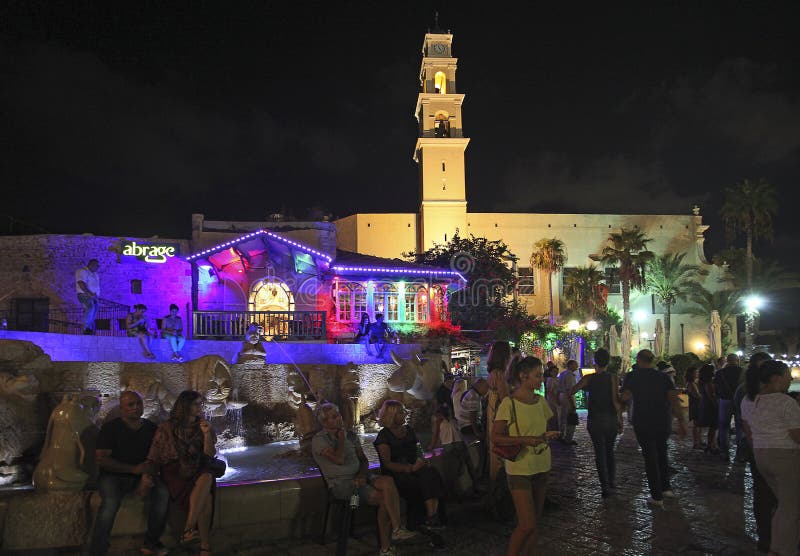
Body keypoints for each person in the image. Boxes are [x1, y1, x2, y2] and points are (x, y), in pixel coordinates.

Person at [312, 403, 415, 556]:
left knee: (388, 482)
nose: (339, 418)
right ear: (324, 422)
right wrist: (341, 439)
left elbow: (364, 460)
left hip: (361, 477)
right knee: (383, 499)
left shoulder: (351, 435)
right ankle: (385, 548)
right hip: (342, 485)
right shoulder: (319, 440)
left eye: (338, 414)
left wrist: (361, 475)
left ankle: (397, 529)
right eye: (334, 417)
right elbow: (339, 459)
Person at [491, 356, 559, 556]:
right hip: (520, 468)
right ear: (523, 376)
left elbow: (543, 428)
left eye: (541, 375)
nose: (541, 379)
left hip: (542, 464)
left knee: (535, 522)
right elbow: (495, 437)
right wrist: (525, 440)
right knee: (526, 524)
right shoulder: (509, 404)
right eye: (537, 375)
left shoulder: (541, 402)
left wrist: (547, 435)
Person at [88, 391, 168, 556]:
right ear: (122, 408)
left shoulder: (151, 428)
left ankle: (151, 542)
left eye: (138, 403)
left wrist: (147, 476)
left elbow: (158, 455)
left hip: (141, 474)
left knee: (163, 493)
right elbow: (102, 459)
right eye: (130, 404)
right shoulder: (111, 428)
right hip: (113, 475)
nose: (136, 407)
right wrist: (133, 469)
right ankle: (98, 549)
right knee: (110, 501)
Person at [741, 360, 800, 556]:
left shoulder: (755, 400)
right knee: (790, 507)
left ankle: (784, 544)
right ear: (776, 379)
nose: (790, 379)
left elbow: (749, 428)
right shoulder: (785, 402)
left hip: (762, 455)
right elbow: (796, 434)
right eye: (787, 376)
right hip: (784, 455)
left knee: (784, 504)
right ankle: (779, 550)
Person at [147, 391, 217, 556]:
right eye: (196, 404)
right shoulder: (167, 427)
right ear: (185, 406)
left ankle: (188, 530)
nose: (201, 407)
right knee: (206, 496)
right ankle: (204, 546)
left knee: (207, 476)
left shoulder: (203, 426)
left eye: (201, 403)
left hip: (197, 470)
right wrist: (147, 475)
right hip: (175, 472)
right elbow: (154, 453)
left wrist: (207, 434)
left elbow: (209, 454)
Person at [620, 349, 687, 508]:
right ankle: (666, 488)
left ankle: (656, 496)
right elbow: (673, 400)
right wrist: (681, 421)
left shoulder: (633, 376)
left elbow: (625, 397)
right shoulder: (663, 377)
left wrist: (618, 397)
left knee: (650, 457)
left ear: (638, 360)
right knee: (662, 452)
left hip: (643, 420)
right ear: (652, 360)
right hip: (662, 420)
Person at [374, 399, 445, 529]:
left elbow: (418, 449)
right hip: (397, 473)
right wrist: (409, 468)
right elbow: (387, 463)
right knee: (418, 482)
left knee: (431, 473)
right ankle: (423, 519)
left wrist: (421, 460)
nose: (405, 414)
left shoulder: (409, 431)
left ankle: (432, 516)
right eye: (401, 412)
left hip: (414, 468)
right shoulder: (384, 436)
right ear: (392, 416)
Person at [737, 352, 776, 553]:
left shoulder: (745, 393)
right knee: (768, 494)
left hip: (757, 448)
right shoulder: (749, 394)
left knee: (763, 493)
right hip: (766, 450)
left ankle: (767, 537)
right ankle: (769, 536)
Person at [570, 348, 622, 497]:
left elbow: (572, 390)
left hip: (594, 419)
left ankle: (604, 486)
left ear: (595, 361)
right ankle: (612, 482)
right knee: (609, 451)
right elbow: (615, 399)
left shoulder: (589, 378)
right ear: (608, 361)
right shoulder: (613, 377)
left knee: (599, 452)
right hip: (610, 417)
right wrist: (621, 419)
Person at [427, 403, 479, 496]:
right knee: (469, 467)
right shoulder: (454, 421)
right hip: (460, 444)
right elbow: (460, 433)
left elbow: (435, 435)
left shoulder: (439, 422)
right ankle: (475, 487)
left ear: (439, 414)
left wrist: (431, 446)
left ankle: (455, 493)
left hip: (449, 446)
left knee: (452, 471)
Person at [486, 341, 512, 483]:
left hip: (492, 413)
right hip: (499, 414)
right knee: (500, 450)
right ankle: (500, 485)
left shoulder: (492, 372)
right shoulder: (499, 374)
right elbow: (505, 399)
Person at [715, 353, 743, 461]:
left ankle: (724, 453)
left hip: (725, 400)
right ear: (737, 360)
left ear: (727, 360)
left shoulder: (720, 373)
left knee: (723, 427)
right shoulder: (743, 371)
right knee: (740, 427)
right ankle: (739, 454)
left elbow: (715, 387)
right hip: (740, 401)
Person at [698, 364, 720, 454]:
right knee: (713, 426)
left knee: (713, 427)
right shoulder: (708, 383)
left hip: (705, 404)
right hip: (710, 406)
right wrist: (717, 405)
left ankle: (711, 445)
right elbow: (711, 396)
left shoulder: (701, 382)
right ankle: (711, 445)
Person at [76, 259, 100, 335]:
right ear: (92, 264)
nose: (98, 267)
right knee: (90, 307)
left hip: (94, 296)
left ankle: (89, 328)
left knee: (94, 311)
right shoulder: (82, 271)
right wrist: (89, 293)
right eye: (97, 265)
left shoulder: (95, 274)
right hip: (85, 295)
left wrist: (96, 296)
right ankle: (85, 327)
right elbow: (81, 282)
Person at [558, 360, 579, 445]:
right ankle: (568, 438)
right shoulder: (570, 375)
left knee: (563, 417)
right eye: (575, 364)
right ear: (570, 365)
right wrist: (572, 404)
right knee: (571, 418)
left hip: (562, 396)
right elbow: (569, 390)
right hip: (567, 397)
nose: (577, 366)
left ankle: (561, 436)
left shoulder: (562, 374)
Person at [684, 366, 702, 449]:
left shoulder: (691, 382)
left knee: (698, 424)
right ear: (692, 374)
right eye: (696, 372)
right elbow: (697, 395)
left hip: (694, 404)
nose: (698, 374)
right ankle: (696, 442)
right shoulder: (691, 383)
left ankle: (699, 441)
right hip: (695, 405)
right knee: (696, 424)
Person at [544, 363, 561, 433]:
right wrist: (556, 400)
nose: (556, 372)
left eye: (556, 371)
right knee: (553, 415)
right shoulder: (550, 380)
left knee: (556, 416)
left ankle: (556, 430)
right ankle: (552, 430)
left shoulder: (556, 379)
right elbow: (549, 391)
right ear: (550, 372)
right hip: (552, 400)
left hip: (556, 398)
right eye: (554, 371)